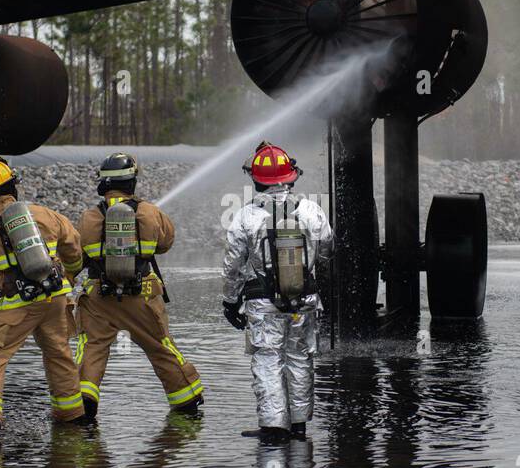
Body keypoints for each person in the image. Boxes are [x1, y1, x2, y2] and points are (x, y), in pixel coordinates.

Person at [0, 157, 87, 441]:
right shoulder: (45, 214)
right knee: (58, 353)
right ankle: (72, 417)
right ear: (13, 186)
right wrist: (69, 279)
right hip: (55, 300)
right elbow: (74, 247)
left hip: (16, 305)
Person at [74, 152, 204, 419]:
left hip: (100, 297)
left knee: (91, 347)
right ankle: (187, 399)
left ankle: (83, 401)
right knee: (160, 346)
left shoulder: (89, 218)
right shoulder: (149, 212)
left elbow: (75, 257)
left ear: (104, 184)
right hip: (141, 296)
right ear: (131, 182)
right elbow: (166, 244)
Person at [222, 140, 334, 442]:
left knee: (268, 359)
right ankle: (299, 427)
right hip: (304, 301)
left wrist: (230, 302)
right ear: (291, 177)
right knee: (300, 358)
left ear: (256, 180)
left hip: (263, 304)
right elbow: (327, 250)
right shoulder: (312, 210)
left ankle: (274, 427)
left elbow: (233, 265)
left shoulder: (245, 217)